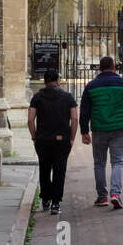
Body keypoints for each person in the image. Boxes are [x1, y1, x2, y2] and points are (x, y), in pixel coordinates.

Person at [79, 55, 123, 209]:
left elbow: (84, 111)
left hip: (99, 128)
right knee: (117, 162)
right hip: (120, 128)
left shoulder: (91, 85)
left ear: (99, 67)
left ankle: (102, 197)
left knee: (99, 163)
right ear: (114, 67)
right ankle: (115, 194)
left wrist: (84, 131)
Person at [28, 69, 78, 216]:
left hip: (43, 139)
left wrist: (34, 136)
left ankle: (45, 199)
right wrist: (72, 137)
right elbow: (74, 119)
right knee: (59, 170)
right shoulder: (68, 97)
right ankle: (56, 203)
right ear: (58, 81)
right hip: (62, 139)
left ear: (44, 81)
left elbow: (30, 119)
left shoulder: (37, 97)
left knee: (44, 169)